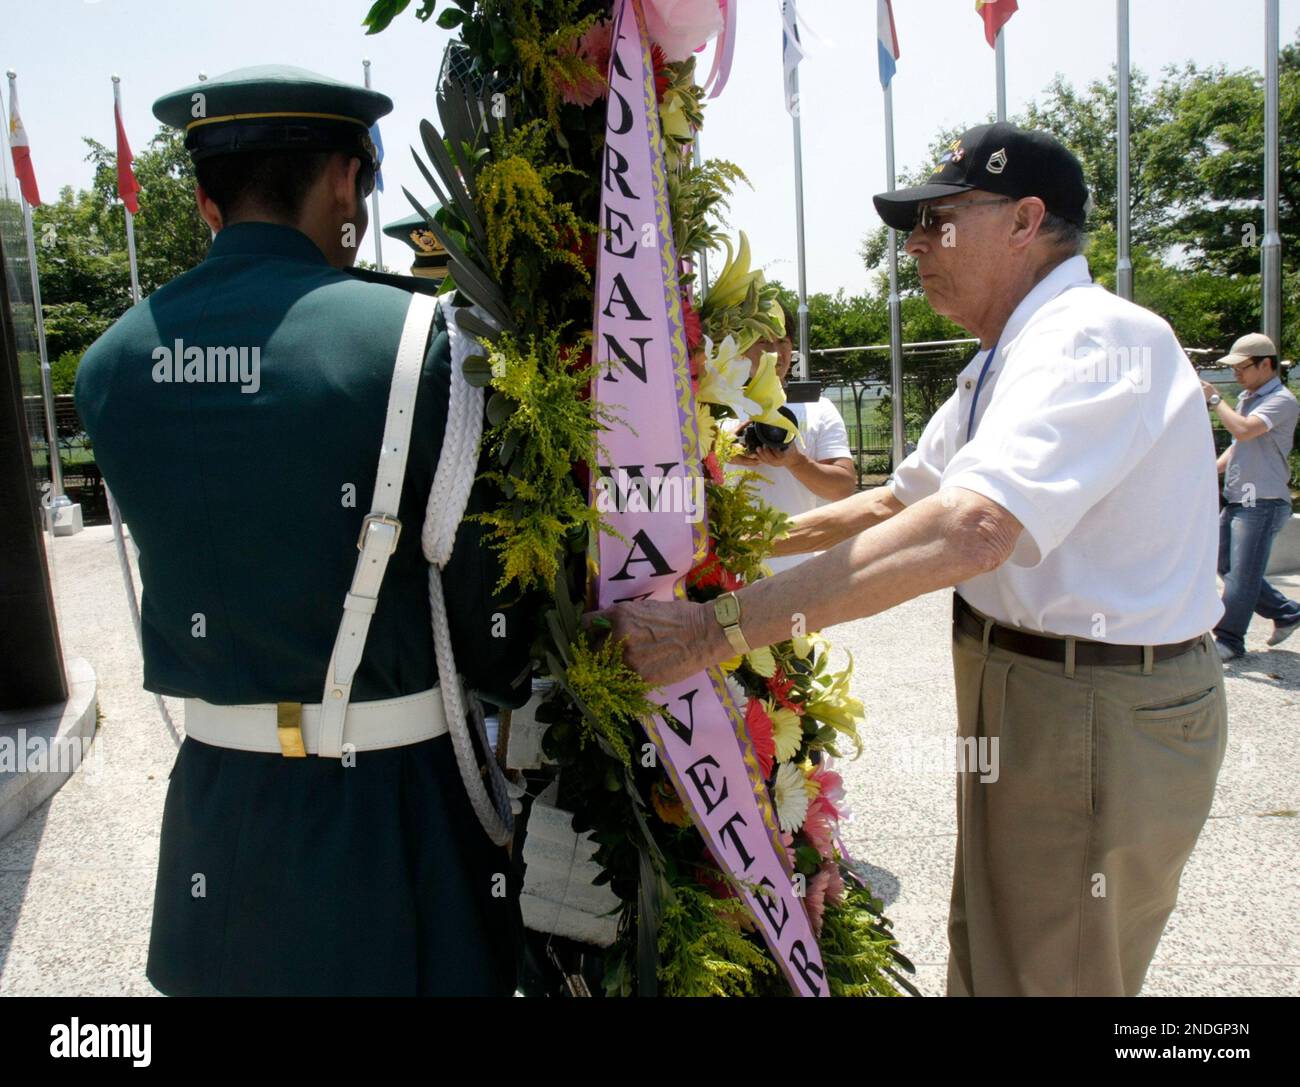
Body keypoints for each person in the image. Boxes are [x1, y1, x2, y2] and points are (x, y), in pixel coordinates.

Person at [598, 122, 1227, 997]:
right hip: (1040, 688)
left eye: (940, 221)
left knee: (1056, 972)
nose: (919, 246)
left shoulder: (1087, 338)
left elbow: (966, 527)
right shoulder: (1002, 358)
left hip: (1095, 702)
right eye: (915, 228)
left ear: (1025, 220)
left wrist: (712, 630)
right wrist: (728, 547)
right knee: (998, 948)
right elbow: (899, 500)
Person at [74, 66, 533, 996]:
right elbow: (496, 630)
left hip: (219, 820)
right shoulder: (423, 342)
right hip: (398, 821)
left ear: (205, 199)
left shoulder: (109, 362)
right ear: (343, 178)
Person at [729, 301, 856, 573]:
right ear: (740, 346)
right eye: (763, 340)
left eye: (783, 341)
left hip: (806, 571)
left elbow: (844, 487)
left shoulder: (818, 407)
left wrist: (797, 462)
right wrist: (719, 452)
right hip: (733, 571)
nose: (776, 352)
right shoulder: (716, 408)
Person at [1201, 333, 1300, 659]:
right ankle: (1286, 611)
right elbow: (1240, 443)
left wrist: (1216, 401)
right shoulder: (1249, 397)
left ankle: (1230, 640)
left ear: (1266, 364)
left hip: (1264, 501)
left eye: (1242, 367)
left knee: (1241, 575)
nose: (1236, 374)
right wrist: (1208, 471)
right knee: (1225, 563)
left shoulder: (1282, 400)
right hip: (1239, 498)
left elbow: (1243, 430)